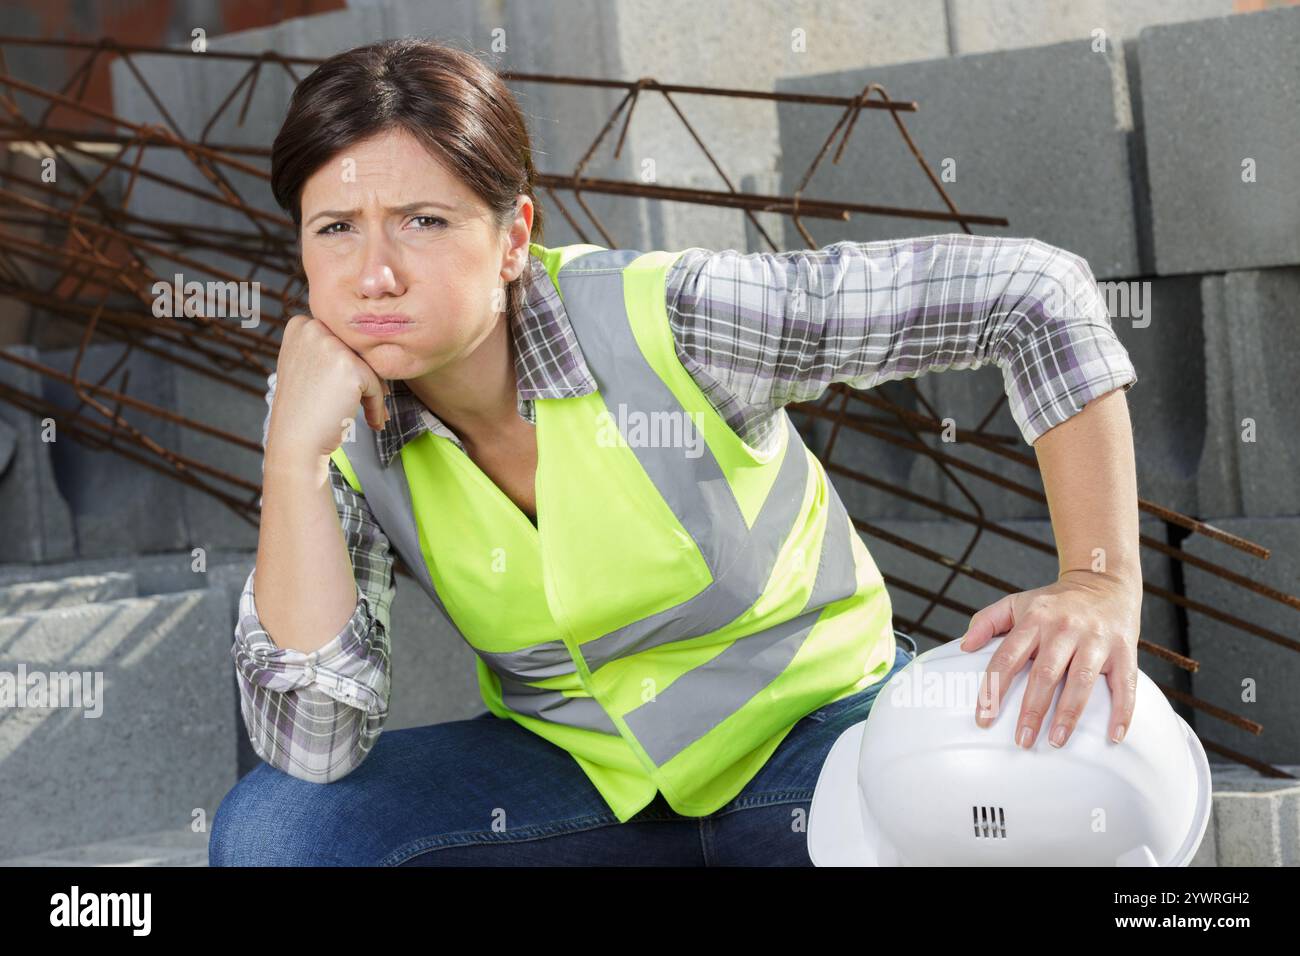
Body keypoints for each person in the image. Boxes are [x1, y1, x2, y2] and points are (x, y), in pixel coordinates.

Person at [209, 37, 1143, 867]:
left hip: (819, 750)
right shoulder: (323, 414)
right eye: (336, 229)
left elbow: (1034, 292)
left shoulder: (676, 320)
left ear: (512, 239)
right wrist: (292, 462)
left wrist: (1099, 582)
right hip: (574, 782)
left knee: (1022, 824)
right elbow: (318, 745)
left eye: (425, 220)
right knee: (278, 834)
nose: (374, 274)